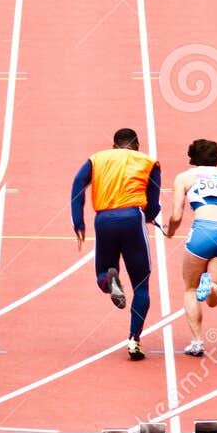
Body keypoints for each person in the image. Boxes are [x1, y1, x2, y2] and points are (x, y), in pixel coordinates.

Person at [71, 128, 161, 361]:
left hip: (104, 220)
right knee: (141, 285)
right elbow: (153, 200)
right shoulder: (149, 162)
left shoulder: (97, 159)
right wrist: (151, 215)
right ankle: (134, 340)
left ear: (114, 146)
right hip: (132, 218)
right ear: (137, 146)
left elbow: (78, 184)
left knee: (102, 271)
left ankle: (109, 282)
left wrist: (78, 221)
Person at [163, 139, 217, 357]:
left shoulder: (184, 178)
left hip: (202, 231)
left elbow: (177, 215)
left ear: (192, 156)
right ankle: (210, 286)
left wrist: (170, 231)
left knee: (191, 289)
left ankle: (197, 342)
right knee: (214, 299)